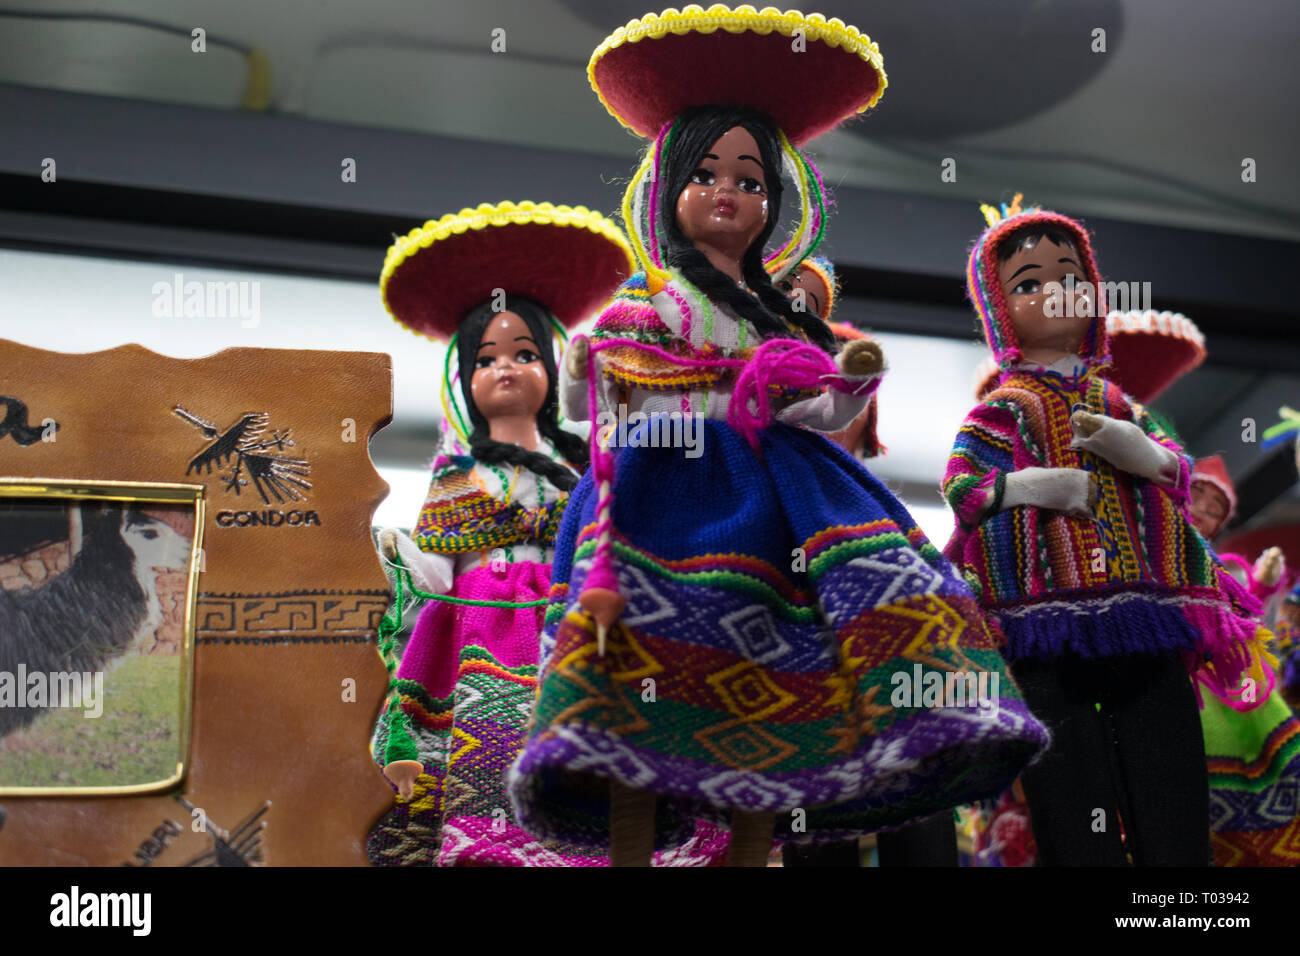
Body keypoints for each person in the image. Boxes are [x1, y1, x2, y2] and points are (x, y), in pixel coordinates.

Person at [508, 7, 1047, 867]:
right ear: (668, 188)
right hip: (664, 500)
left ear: (778, 200)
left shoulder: (785, 321)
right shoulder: (647, 307)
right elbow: (594, 407)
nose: (729, 193)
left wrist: (854, 379)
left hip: (780, 510)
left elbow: (814, 414)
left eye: (751, 181)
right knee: (642, 696)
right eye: (708, 174)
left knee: (767, 701)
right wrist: (588, 366)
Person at [942, 197, 1274, 865]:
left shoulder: (1123, 404)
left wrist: (1143, 454)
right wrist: (1037, 487)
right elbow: (963, 485)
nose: (1057, 293)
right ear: (1000, 311)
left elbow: (1178, 475)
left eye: (1069, 276)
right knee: (1069, 793)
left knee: (1169, 773)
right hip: (1041, 626)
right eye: (1029, 283)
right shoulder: (1002, 408)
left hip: (1145, 614)